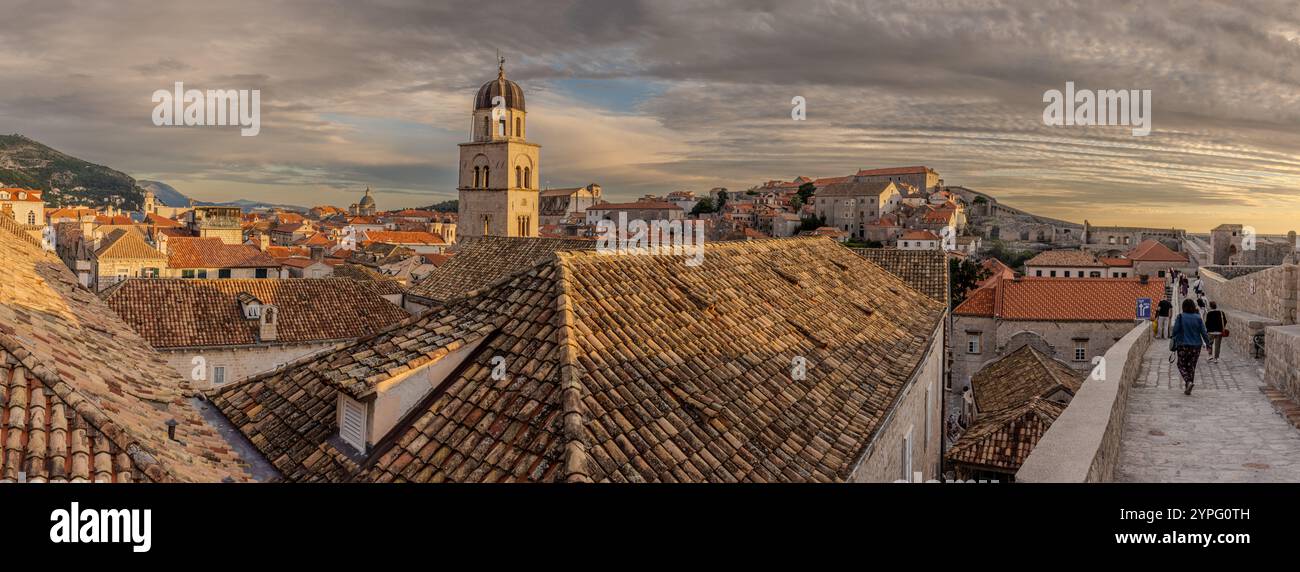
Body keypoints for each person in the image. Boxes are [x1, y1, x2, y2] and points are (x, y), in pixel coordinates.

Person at [1170, 298, 1212, 395]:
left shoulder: (1180, 317)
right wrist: (1208, 344)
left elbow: (1175, 331)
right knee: (1191, 366)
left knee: (1181, 364)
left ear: (1183, 307)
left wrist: (1174, 337)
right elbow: (1204, 332)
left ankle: (1188, 382)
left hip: (1183, 344)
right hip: (1196, 346)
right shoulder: (1198, 318)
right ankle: (1189, 385)